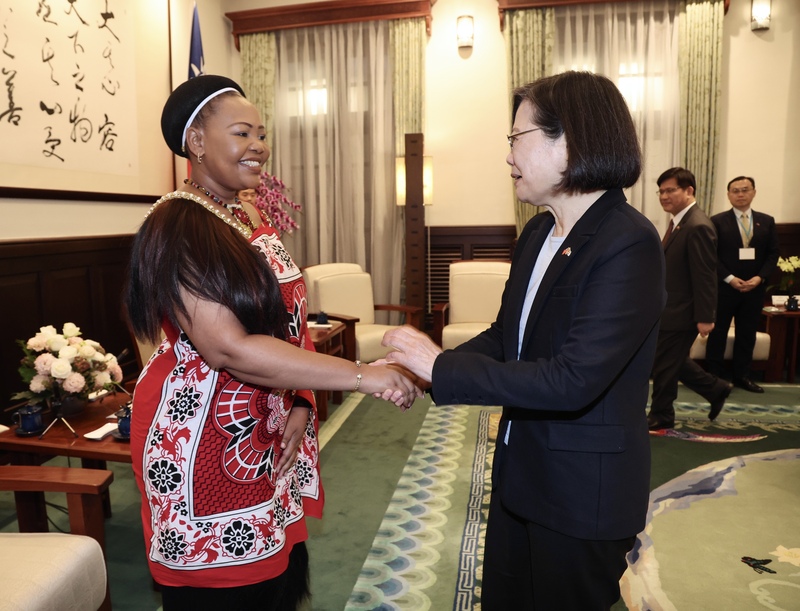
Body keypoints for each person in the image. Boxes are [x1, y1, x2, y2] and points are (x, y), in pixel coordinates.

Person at [125, 75, 421, 611]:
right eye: (242, 133)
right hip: (201, 442)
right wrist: (362, 374)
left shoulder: (247, 214)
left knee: (278, 579)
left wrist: (302, 403)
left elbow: (289, 324)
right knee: (228, 591)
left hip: (265, 429)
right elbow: (229, 349)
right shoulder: (178, 224)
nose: (258, 145)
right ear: (196, 142)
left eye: (262, 133)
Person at [381, 72, 666, 610]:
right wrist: (421, 370)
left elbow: (573, 379)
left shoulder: (628, 242)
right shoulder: (539, 231)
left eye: (517, 138)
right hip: (523, 476)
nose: (508, 155)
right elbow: (504, 337)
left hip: (583, 495)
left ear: (571, 141)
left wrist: (441, 368)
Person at [647, 167, 733, 430]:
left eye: (670, 190)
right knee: (670, 361)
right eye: (661, 191)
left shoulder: (698, 225)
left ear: (689, 191)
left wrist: (706, 318)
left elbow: (705, 274)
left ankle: (662, 414)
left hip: (683, 312)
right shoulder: (679, 222)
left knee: (664, 364)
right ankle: (716, 389)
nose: (663, 196)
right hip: (671, 309)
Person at [705, 176, 779, 393]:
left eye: (745, 189)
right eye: (735, 190)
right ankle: (713, 377)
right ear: (728, 195)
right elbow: (711, 255)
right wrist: (729, 278)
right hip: (725, 287)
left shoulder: (766, 221)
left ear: (753, 192)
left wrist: (760, 278)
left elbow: (773, 253)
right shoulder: (717, 221)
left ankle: (742, 376)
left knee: (747, 334)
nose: (740, 194)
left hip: (754, 289)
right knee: (717, 333)